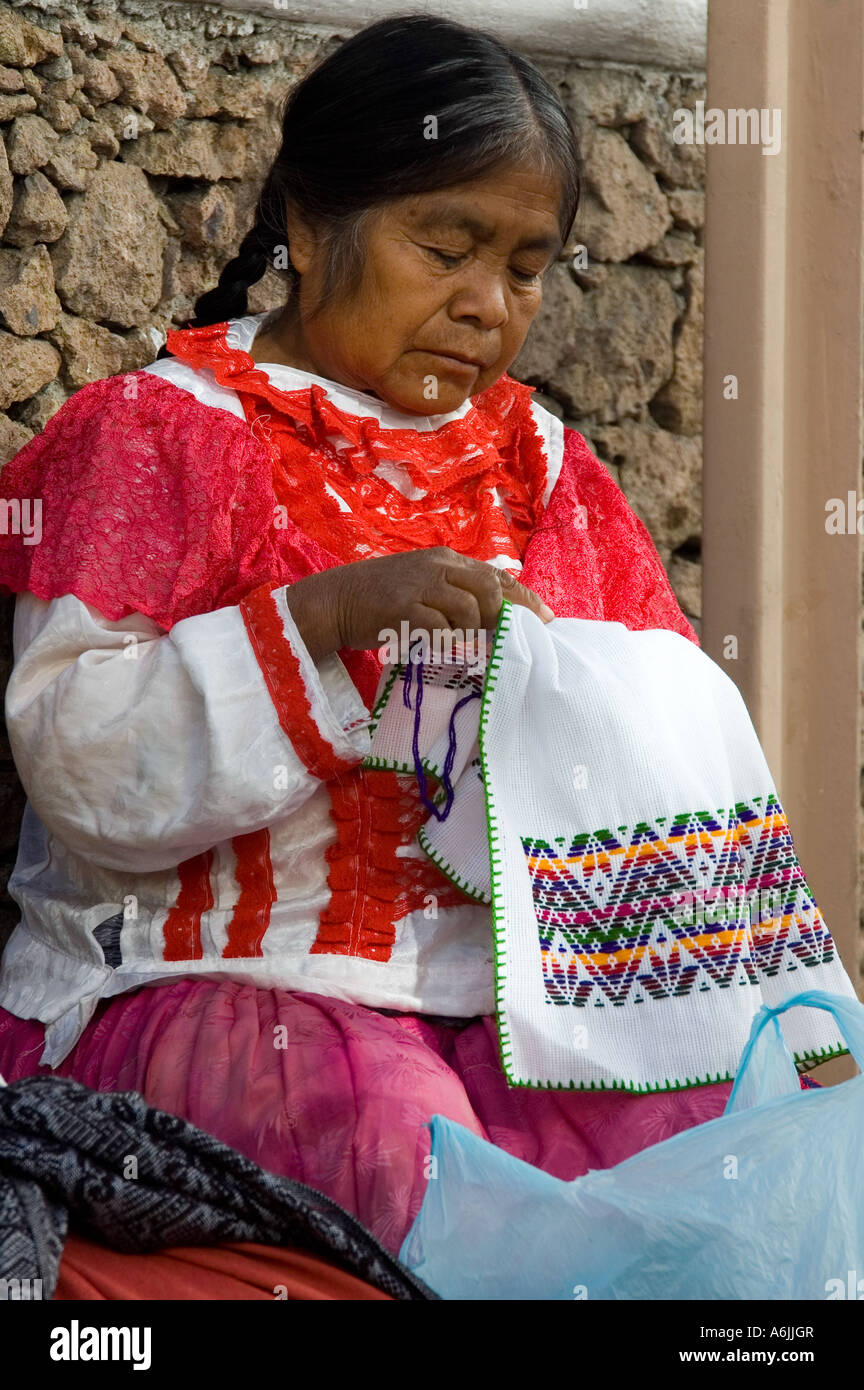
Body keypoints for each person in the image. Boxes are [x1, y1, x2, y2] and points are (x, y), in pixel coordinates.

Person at [0, 15, 824, 1261]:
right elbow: (80, 768)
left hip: (502, 1004)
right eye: (445, 246)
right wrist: (327, 619)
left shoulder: (542, 468)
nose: (488, 303)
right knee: (408, 1153)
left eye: (530, 267)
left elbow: (658, 757)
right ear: (313, 228)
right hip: (225, 990)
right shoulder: (164, 438)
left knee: (708, 1127)